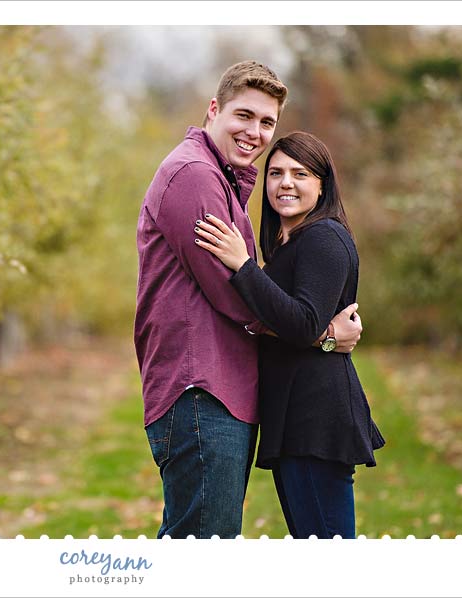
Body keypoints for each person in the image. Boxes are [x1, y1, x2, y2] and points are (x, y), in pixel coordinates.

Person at [134, 61, 363, 539]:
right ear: (213, 109)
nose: (254, 132)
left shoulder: (224, 182)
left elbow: (259, 293)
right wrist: (323, 334)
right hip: (202, 389)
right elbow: (234, 295)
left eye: (267, 122)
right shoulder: (195, 175)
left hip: (221, 393)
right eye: (244, 116)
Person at [193, 131, 385, 539]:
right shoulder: (289, 243)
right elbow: (302, 324)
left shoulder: (324, 237)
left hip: (315, 420)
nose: (285, 183)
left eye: (300, 174)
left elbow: (302, 323)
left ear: (322, 184)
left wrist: (243, 266)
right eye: (276, 173)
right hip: (294, 420)